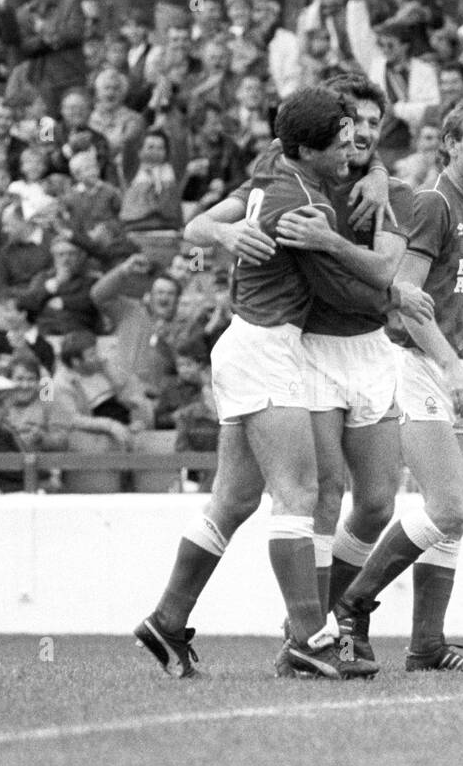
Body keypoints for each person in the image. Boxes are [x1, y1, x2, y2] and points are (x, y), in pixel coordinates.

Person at [135, 87, 429, 681]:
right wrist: (394, 293)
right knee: (299, 495)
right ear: (308, 149)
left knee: (234, 500)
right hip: (268, 350)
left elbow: (203, 223)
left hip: (256, 345)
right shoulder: (299, 206)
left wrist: (372, 173)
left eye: (359, 136)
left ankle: (166, 621)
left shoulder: (283, 173)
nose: (353, 148)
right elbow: (354, 285)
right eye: (343, 141)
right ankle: (309, 637)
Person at [335, 94, 463, 673]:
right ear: (450, 144)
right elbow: (407, 300)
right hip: (415, 363)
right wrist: (451, 364)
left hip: (448, 362)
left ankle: (427, 645)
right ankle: (353, 605)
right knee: (449, 505)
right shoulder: (434, 205)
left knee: (456, 516)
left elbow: (450, 293)